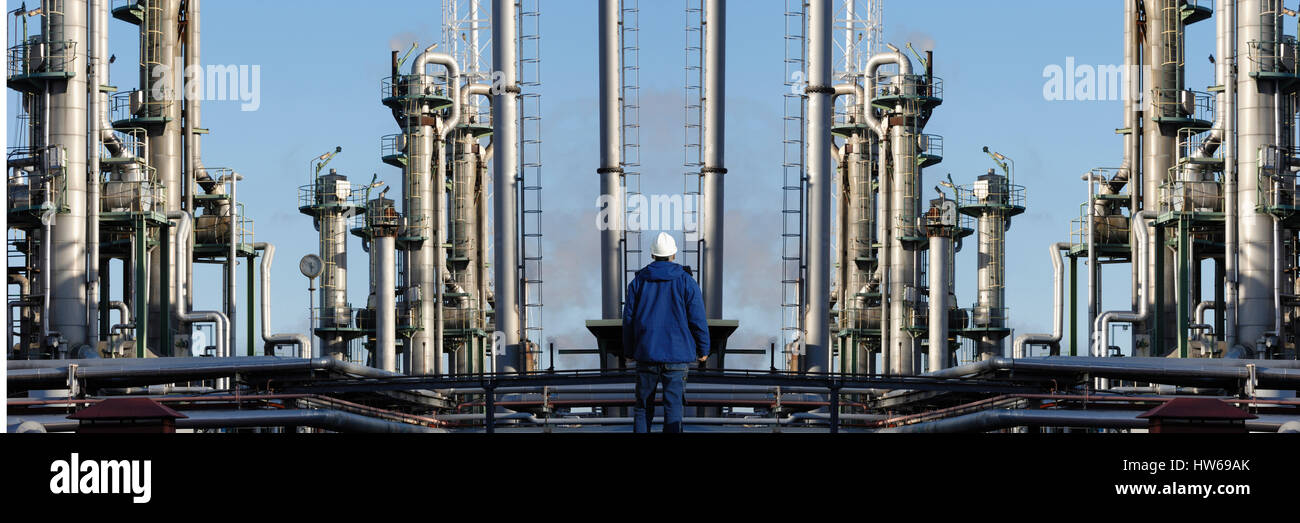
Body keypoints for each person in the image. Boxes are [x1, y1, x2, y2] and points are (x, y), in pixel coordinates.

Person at [623, 232, 710, 433]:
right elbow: (697, 318)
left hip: (646, 353)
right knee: (674, 408)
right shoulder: (687, 281)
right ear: (674, 255)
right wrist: (703, 348)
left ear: (652, 255)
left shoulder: (637, 282)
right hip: (677, 355)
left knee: (643, 407)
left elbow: (628, 320)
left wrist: (628, 351)